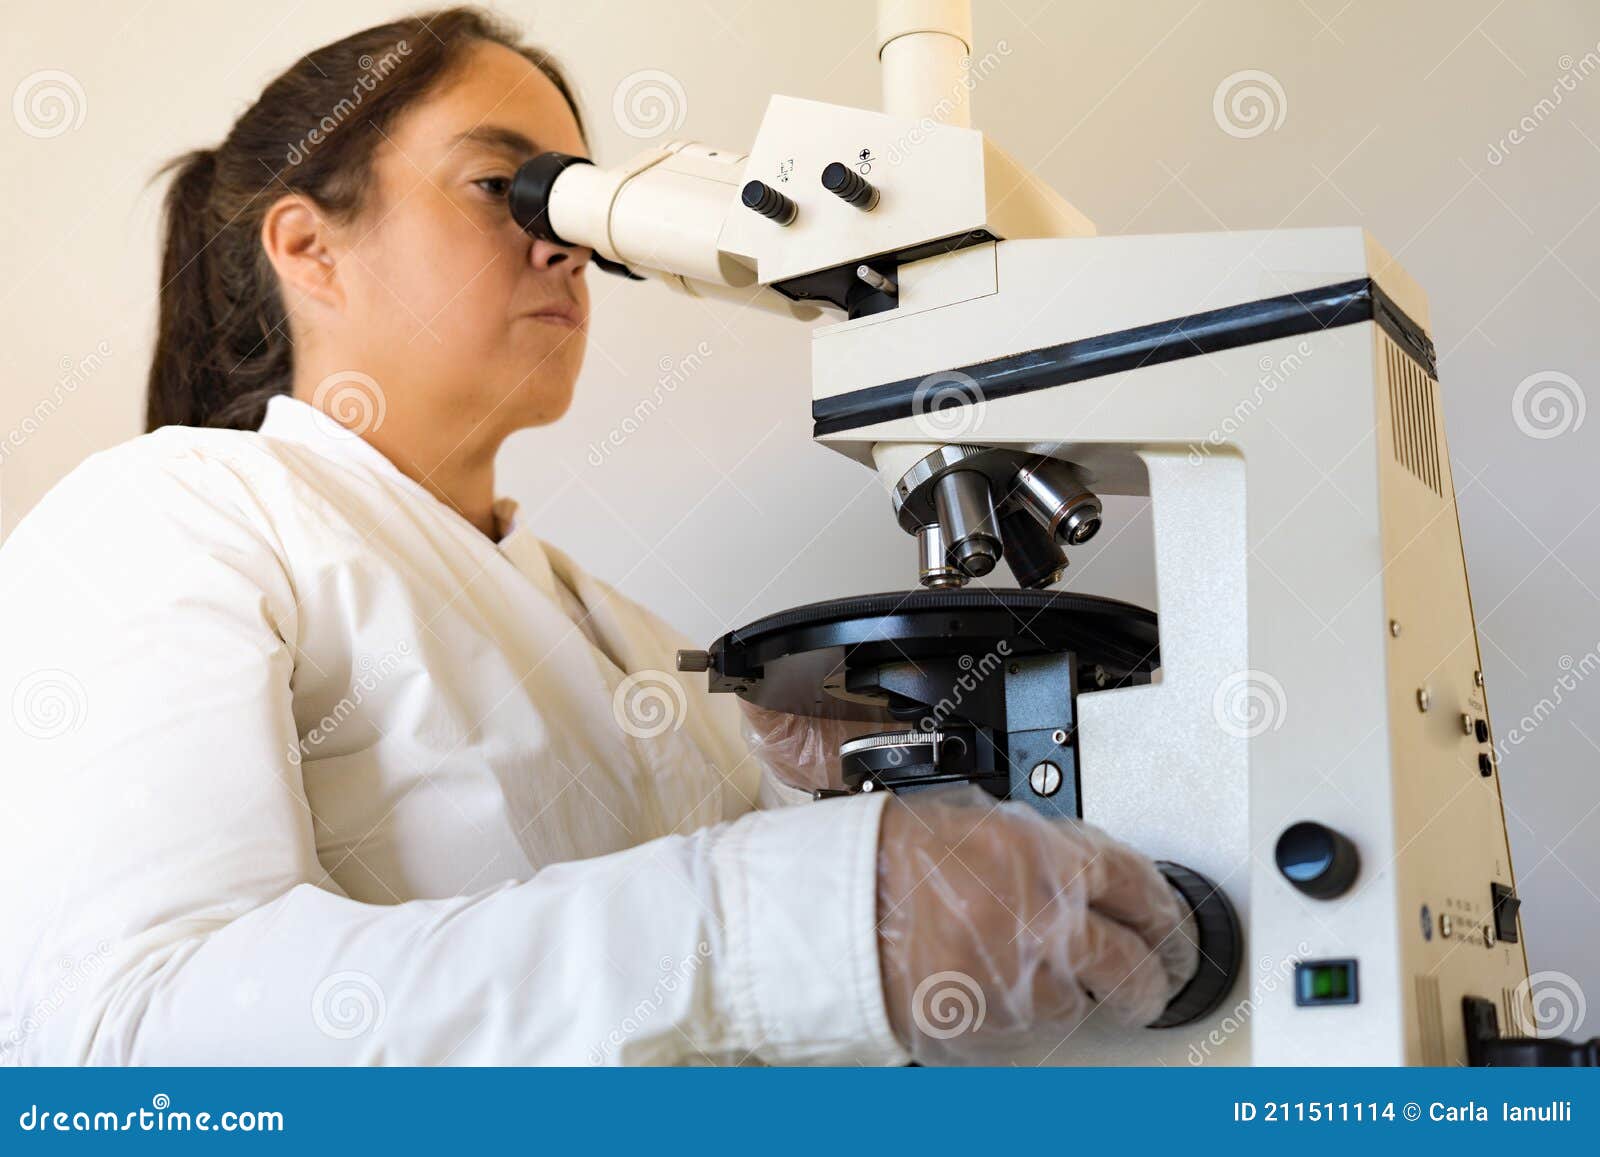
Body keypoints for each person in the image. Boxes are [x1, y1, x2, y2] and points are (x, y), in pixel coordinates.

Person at [0, 7, 1196, 1066]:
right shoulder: (171, 513)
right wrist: (791, 918)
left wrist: (873, 826)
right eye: (504, 188)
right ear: (310, 247)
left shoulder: (622, 633)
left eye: (574, 196)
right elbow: (127, 1031)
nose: (562, 240)